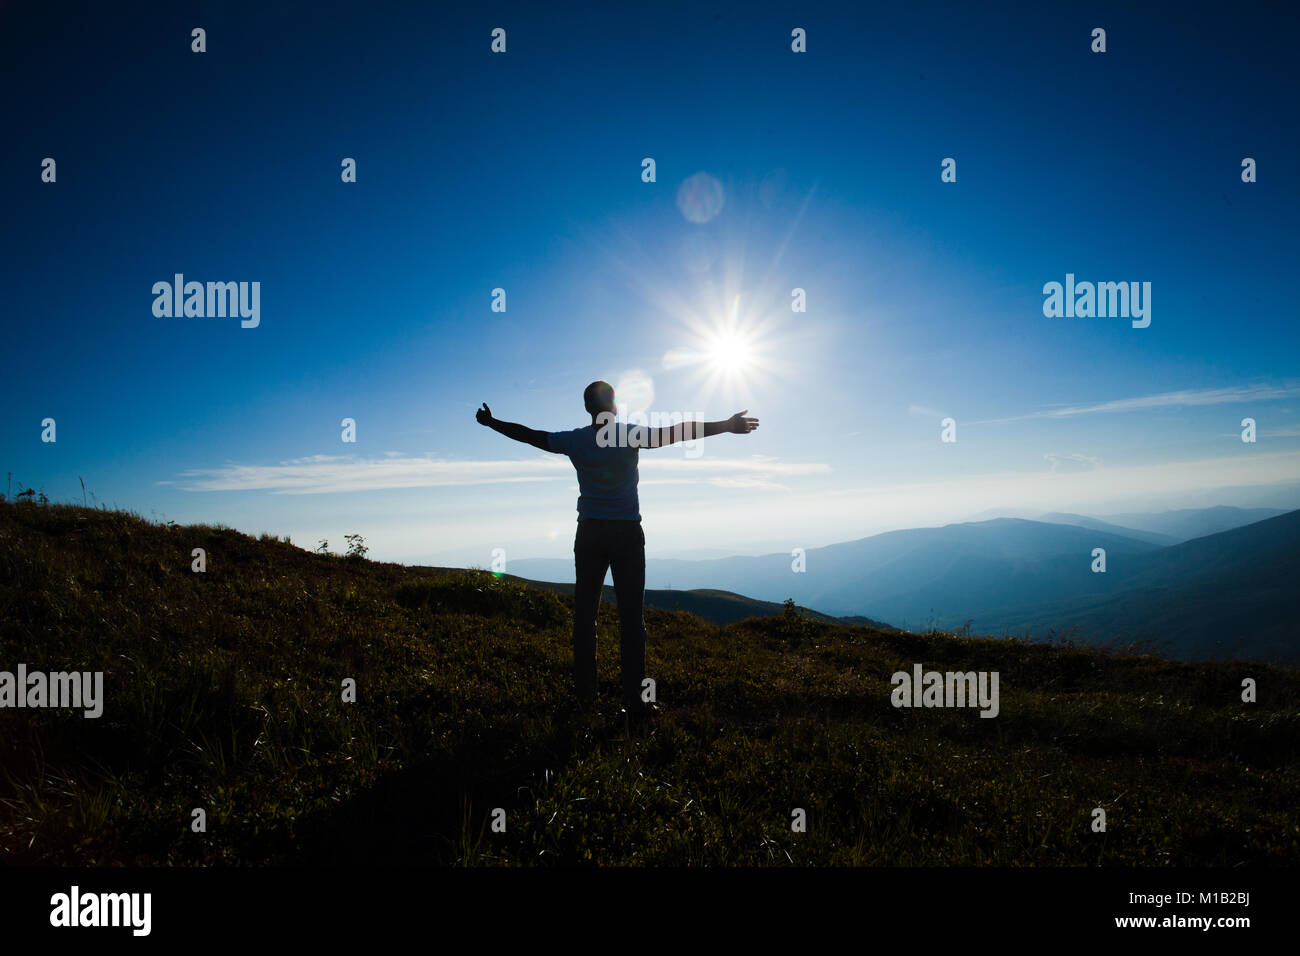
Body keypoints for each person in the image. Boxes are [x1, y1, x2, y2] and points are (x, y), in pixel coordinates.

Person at [476, 381, 758, 715]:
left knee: (585, 616)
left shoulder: (575, 440)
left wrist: (493, 423)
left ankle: (584, 696)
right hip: (626, 533)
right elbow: (679, 432)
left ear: (587, 408)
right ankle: (637, 703)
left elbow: (531, 435)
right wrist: (726, 426)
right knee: (630, 619)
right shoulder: (630, 434)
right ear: (616, 406)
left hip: (590, 533)